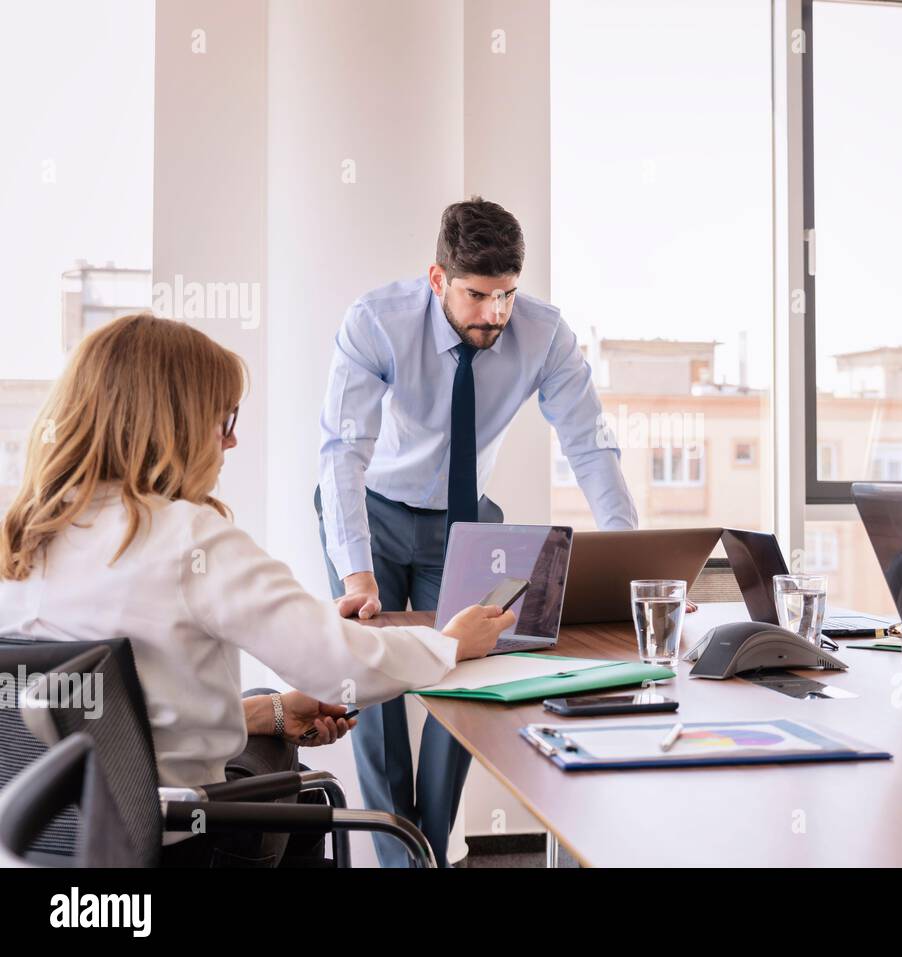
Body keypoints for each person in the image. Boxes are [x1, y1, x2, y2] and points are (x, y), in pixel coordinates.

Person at [0, 313, 515, 865]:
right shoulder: (185, 537)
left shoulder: (23, 539)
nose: (233, 438)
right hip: (186, 839)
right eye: (223, 419)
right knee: (286, 774)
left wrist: (271, 708)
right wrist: (452, 642)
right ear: (173, 423)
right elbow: (341, 667)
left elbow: (108, 716)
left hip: (41, 847)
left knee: (262, 717)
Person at [315, 196, 638, 867]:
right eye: (478, 295)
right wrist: (356, 569)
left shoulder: (544, 334)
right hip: (371, 510)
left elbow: (590, 444)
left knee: (466, 675)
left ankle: (424, 853)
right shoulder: (377, 321)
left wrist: (625, 548)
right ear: (438, 279)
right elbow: (342, 452)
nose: (495, 313)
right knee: (372, 683)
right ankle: (400, 853)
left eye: (507, 295)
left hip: (466, 519)